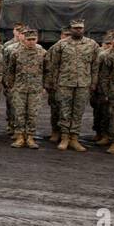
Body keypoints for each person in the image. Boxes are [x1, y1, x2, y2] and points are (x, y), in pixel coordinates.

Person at [46, 19, 97, 151]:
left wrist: (93, 82)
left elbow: (95, 66)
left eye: (80, 28)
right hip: (64, 84)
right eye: (75, 28)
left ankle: (74, 138)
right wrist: (53, 82)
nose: (78, 30)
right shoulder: (61, 45)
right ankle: (64, 138)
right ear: (71, 29)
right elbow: (54, 65)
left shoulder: (92, 45)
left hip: (83, 84)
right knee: (64, 111)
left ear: (84, 29)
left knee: (78, 112)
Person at [4, 27, 46, 148]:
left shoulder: (42, 52)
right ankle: (20, 137)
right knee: (19, 113)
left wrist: (44, 86)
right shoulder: (15, 52)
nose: (31, 42)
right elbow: (10, 70)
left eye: (33, 39)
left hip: (35, 89)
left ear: (37, 39)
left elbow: (47, 70)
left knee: (32, 113)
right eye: (29, 39)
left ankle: (31, 137)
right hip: (19, 88)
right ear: (24, 40)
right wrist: (10, 86)